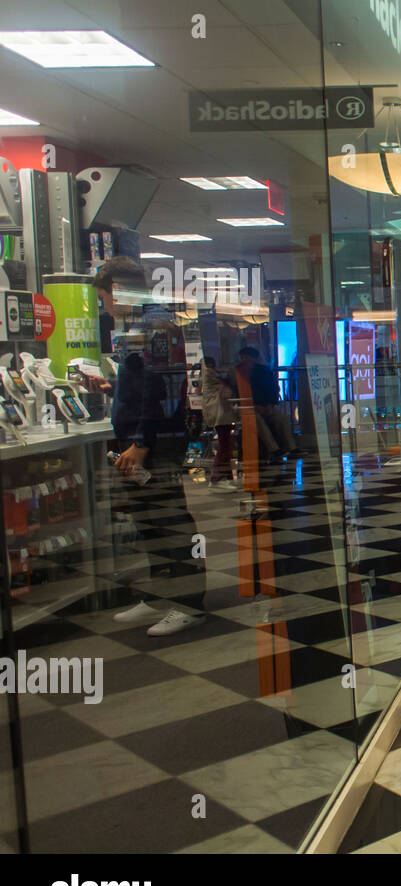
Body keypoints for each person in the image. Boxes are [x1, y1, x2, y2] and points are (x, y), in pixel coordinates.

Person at [106, 265, 207, 637]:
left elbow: (161, 388)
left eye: (104, 298)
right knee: (149, 520)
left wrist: (142, 442)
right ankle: (162, 593)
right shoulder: (141, 327)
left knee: (171, 518)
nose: (105, 307)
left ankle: (190, 603)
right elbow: (145, 384)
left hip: (155, 443)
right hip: (144, 438)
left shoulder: (156, 326)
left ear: (117, 290)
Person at [237, 346, 296, 457]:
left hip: (265, 405)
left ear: (253, 358)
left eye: (246, 358)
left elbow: (272, 388)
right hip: (247, 407)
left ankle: (291, 447)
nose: (244, 361)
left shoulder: (263, 371)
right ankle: (273, 449)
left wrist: (269, 404)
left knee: (281, 419)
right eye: (242, 358)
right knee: (257, 420)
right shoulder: (238, 372)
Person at [201, 357, 238, 490]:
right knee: (224, 447)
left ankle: (227, 478)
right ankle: (216, 478)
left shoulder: (207, 374)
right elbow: (227, 382)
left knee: (226, 446)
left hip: (221, 414)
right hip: (220, 414)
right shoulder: (210, 374)